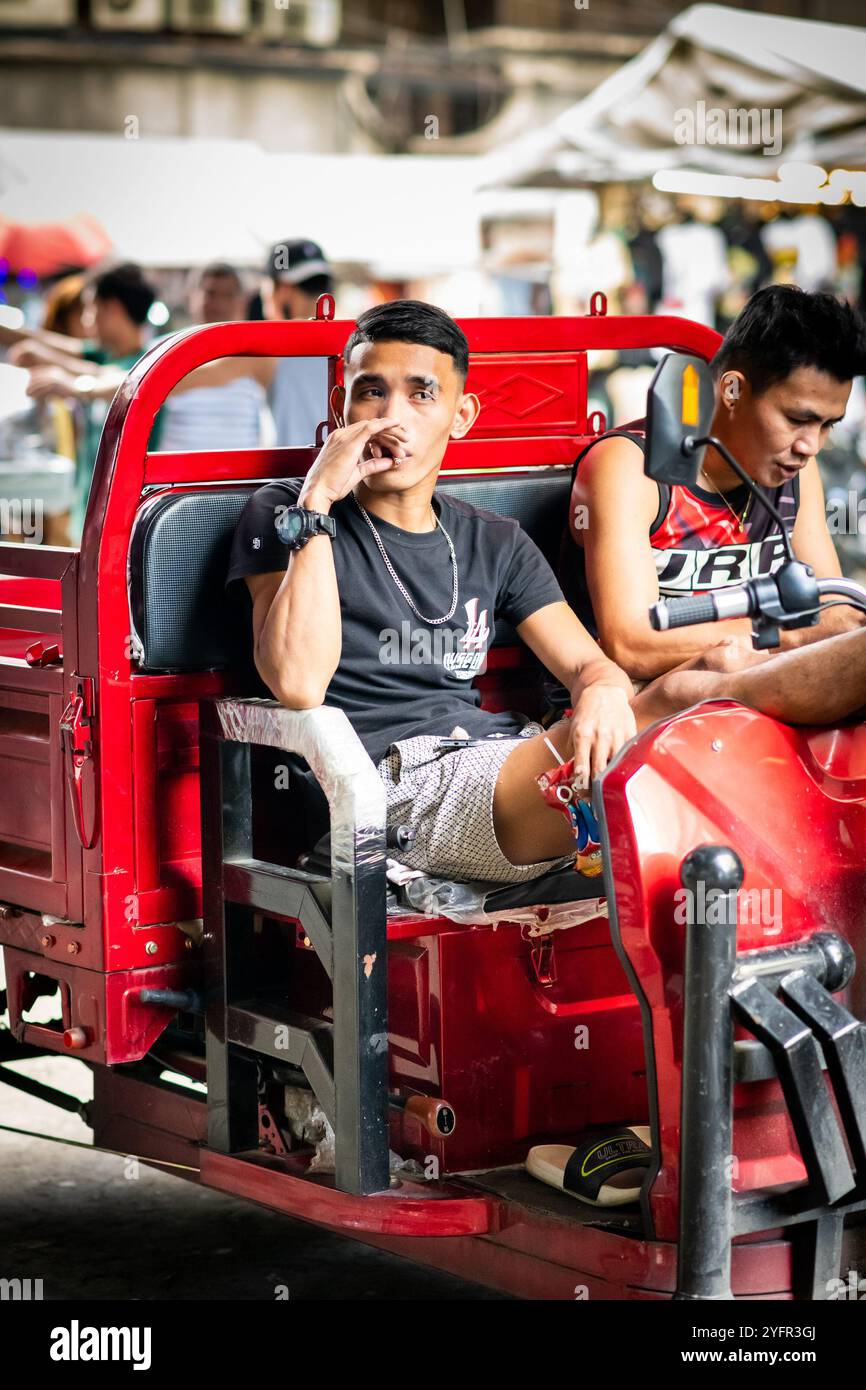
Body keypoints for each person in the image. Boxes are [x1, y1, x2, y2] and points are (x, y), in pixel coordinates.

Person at [227, 300, 637, 885]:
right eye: (371, 392)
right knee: (657, 730)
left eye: (421, 394)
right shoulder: (284, 514)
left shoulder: (494, 539)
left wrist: (600, 691)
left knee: (682, 705)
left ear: (461, 414)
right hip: (384, 789)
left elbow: (591, 666)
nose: (392, 418)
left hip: (498, 753)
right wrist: (316, 502)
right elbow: (297, 682)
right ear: (338, 408)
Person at [560, 285, 866, 682]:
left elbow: (832, 608)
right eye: (796, 419)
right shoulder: (632, 468)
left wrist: (813, 632)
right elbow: (631, 643)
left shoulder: (797, 470)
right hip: (640, 708)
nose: (811, 445)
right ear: (733, 390)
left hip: (754, 689)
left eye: (827, 425)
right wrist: (792, 636)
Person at [4, 262, 158, 540]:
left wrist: (69, 382)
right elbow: (66, 353)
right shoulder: (104, 356)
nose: (87, 321)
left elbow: (109, 378)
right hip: (92, 516)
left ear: (111, 308)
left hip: (125, 524)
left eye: (90, 308)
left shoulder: (148, 365)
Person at [156, 262, 271, 453]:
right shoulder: (162, 348)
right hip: (174, 477)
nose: (218, 303)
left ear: (243, 301)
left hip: (244, 480)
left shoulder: (258, 352)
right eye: (210, 293)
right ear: (190, 298)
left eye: (228, 295)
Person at [262, 239, 332, 446]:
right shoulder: (355, 343)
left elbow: (187, 375)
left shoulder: (270, 348)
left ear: (280, 290)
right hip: (346, 470)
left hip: (291, 474)